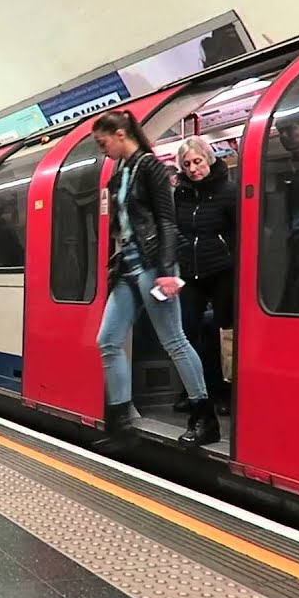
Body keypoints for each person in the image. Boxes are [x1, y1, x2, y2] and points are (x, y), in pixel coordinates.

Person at [90, 110, 210, 451]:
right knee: (108, 340)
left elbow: (167, 222)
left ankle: (204, 417)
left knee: (174, 340)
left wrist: (167, 270)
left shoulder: (151, 168)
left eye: (103, 143)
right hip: (127, 268)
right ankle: (121, 426)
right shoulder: (122, 173)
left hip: (152, 266)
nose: (103, 151)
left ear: (120, 134)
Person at [172, 136, 237, 446]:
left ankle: (224, 393)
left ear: (208, 160)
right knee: (186, 332)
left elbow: (239, 230)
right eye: (187, 164)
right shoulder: (181, 195)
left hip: (222, 271)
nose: (193, 169)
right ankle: (196, 391)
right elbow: (176, 229)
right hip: (190, 275)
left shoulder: (228, 191)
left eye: (197, 162)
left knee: (224, 333)